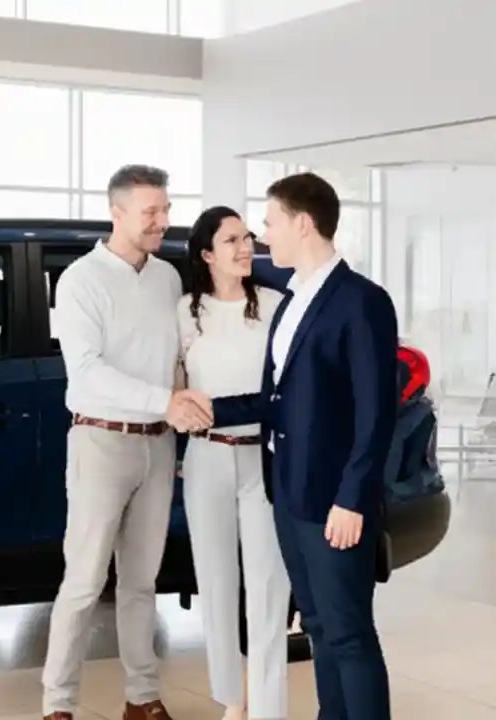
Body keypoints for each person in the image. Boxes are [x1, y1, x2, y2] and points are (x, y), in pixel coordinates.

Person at [197, 172, 398, 720]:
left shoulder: (361, 302)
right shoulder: (291, 301)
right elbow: (279, 400)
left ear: (303, 223)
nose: (263, 236)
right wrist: (210, 409)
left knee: (350, 633)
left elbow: (376, 413)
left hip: (335, 502)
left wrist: (353, 499)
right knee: (317, 628)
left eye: (270, 222)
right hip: (289, 494)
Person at [41, 164, 212, 720]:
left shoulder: (166, 278)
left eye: (165, 209)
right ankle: (58, 706)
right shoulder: (81, 281)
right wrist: (164, 401)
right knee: (85, 581)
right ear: (117, 214)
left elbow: (173, 359)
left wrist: (182, 405)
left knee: (142, 581)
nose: (164, 221)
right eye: (152, 213)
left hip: (158, 447)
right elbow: (86, 374)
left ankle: (143, 698)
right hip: (101, 441)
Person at [176, 207, 290, 720]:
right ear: (206, 254)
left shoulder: (276, 306)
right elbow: (177, 384)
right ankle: (233, 700)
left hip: (264, 459)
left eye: (248, 237)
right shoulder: (185, 311)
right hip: (207, 458)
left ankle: (268, 706)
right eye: (231, 240)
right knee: (216, 582)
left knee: (268, 584)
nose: (245, 247)